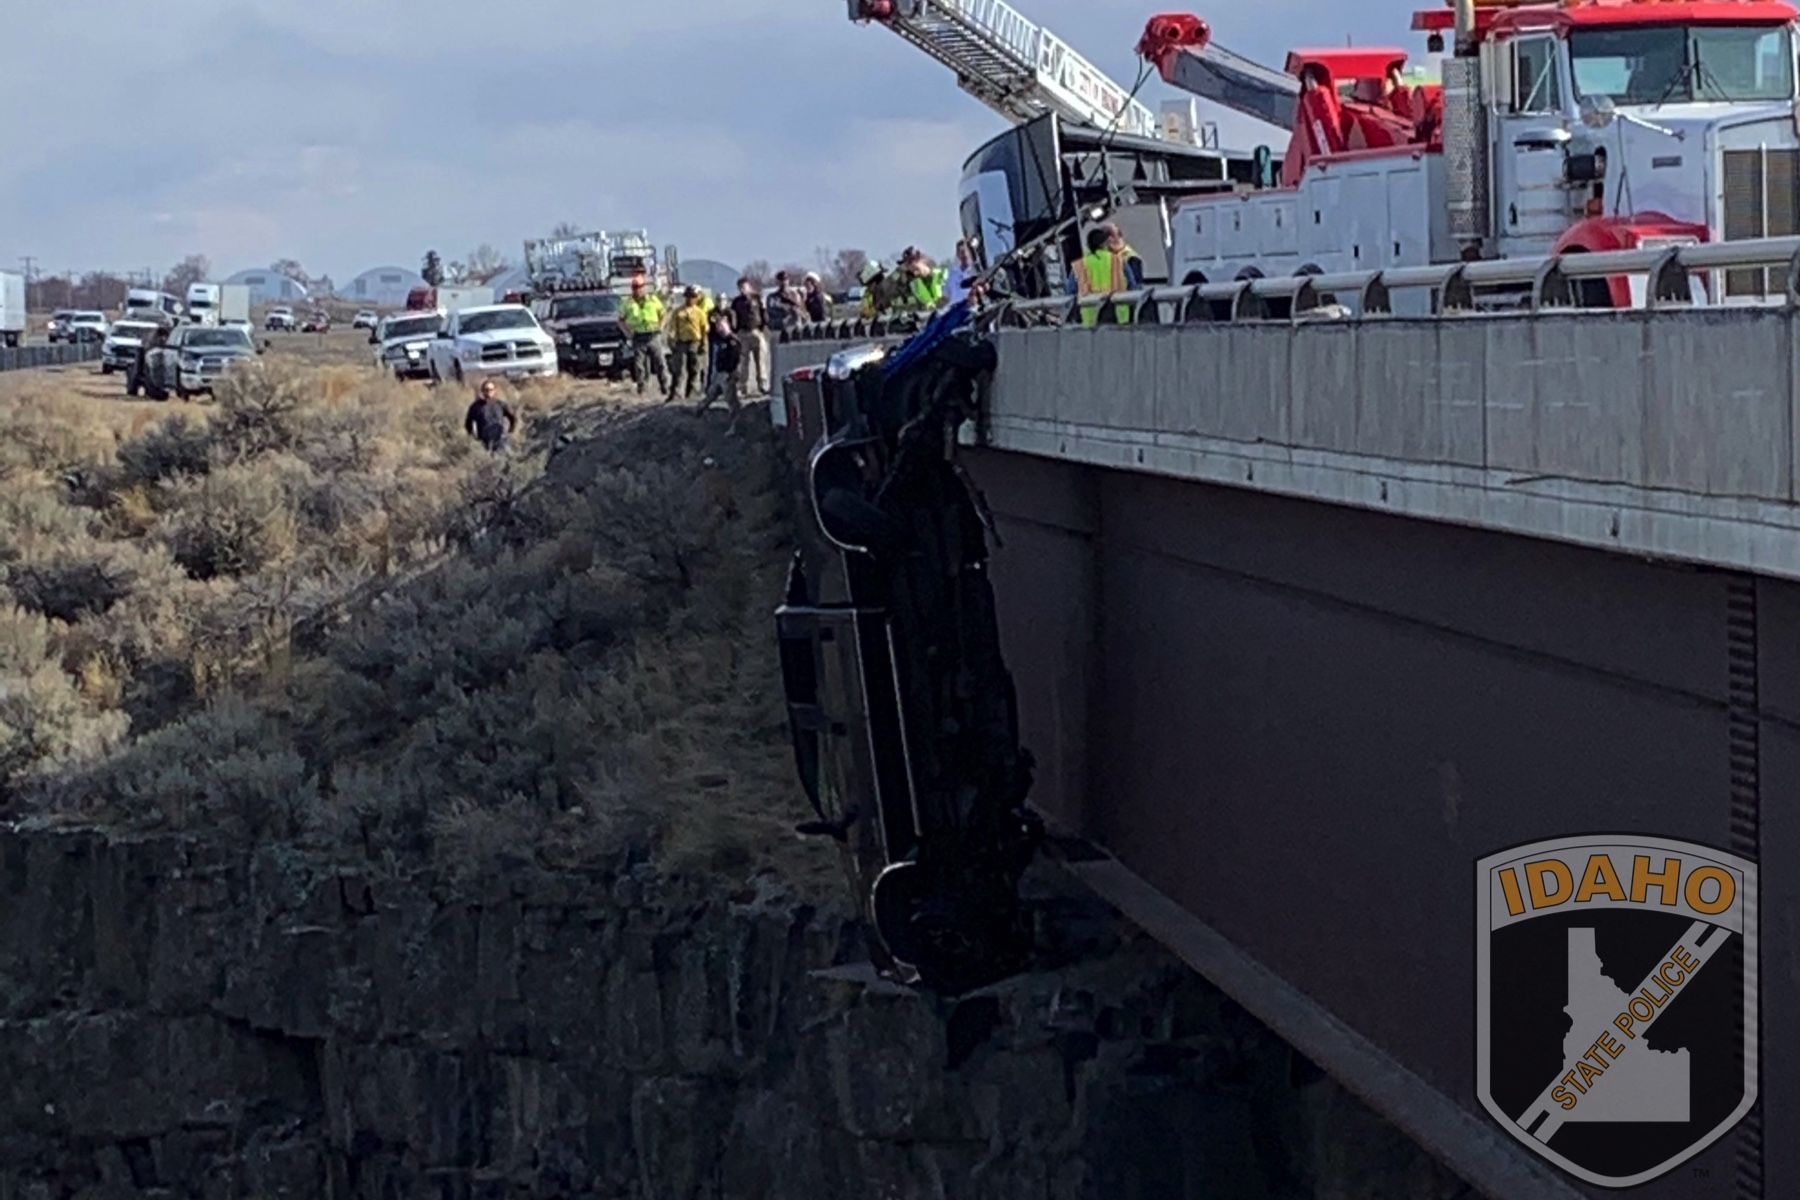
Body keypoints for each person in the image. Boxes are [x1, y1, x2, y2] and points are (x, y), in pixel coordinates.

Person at [1071, 223, 1141, 327]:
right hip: (1120, 318)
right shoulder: (1119, 261)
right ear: (1105, 243)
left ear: (1088, 245)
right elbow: (1133, 287)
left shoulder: (1080, 265)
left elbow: (1070, 292)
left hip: (1089, 321)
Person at [620, 277, 669, 396]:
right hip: (638, 337)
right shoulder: (627, 303)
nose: (638, 290)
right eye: (635, 287)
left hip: (653, 335)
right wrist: (628, 333)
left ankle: (665, 387)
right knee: (639, 365)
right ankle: (642, 389)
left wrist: (661, 327)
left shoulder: (652, 299)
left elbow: (664, 314)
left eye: (640, 287)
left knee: (660, 362)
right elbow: (620, 320)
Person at [696, 309, 743, 429]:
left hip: (728, 375)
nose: (719, 328)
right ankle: (697, 413)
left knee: (732, 402)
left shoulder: (733, 341)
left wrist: (732, 374)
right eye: (717, 326)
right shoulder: (719, 340)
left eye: (721, 326)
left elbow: (736, 360)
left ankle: (736, 426)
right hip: (719, 374)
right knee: (710, 395)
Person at [728, 277, 769, 397]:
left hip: (756, 331)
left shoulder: (757, 298)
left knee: (760, 360)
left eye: (744, 287)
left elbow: (764, 314)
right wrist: (734, 331)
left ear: (749, 287)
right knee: (743, 362)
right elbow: (733, 317)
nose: (742, 289)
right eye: (740, 287)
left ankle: (762, 385)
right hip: (742, 333)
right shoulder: (736, 302)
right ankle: (742, 387)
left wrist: (763, 328)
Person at [669, 286, 709, 402]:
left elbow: (704, 329)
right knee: (679, 368)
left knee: (694, 368)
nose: (690, 299)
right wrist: (672, 341)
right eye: (688, 296)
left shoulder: (700, 313)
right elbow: (673, 327)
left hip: (695, 343)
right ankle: (676, 393)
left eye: (693, 297)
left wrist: (704, 344)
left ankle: (691, 392)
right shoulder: (678, 312)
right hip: (681, 342)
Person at [464, 379, 518, 452]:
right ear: (482, 391)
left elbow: (513, 418)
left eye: (491, 389)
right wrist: (474, 438)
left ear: (494, 391)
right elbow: (468, 423)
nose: (489, 392)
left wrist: (510, 431)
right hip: (484, 443)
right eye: (486, 390)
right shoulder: (476, 407)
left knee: (506, 460)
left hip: (501, 441)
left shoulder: (501, 404)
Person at [947, 240, 979, 306]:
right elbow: (953, 295)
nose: (964, 255)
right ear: (958, 255)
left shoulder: (977, 271)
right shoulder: (953, 275)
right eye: (961, 252)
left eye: (965, 251)